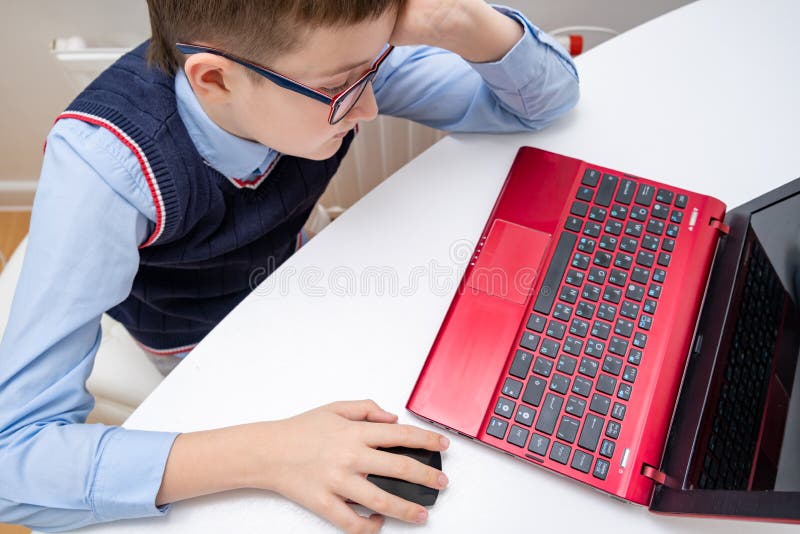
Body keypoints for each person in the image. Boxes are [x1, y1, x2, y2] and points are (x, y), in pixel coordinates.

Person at [0, 1, 579, 532]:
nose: (370, 108)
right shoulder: (103, 170)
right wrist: (270, 454)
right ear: (216, 80)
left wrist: (456, 20)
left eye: (372, 69)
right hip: (201, 336)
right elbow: (12, 462)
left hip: (296, 274)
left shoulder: (327, 58)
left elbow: (543, 104)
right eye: (339, 88)